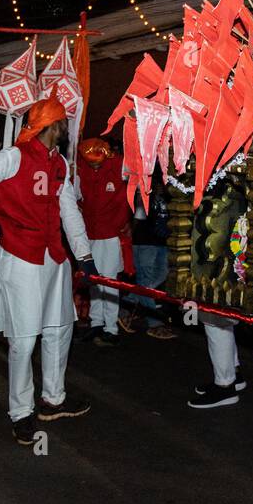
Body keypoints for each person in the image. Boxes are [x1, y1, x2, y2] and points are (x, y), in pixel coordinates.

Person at [0, 98, 97, 445]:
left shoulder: (59, 162)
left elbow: (68, 211)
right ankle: (21, 412)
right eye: (63, 123)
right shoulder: (13, 157)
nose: (66, 129)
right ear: (54, 125)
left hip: (54, 258)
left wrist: (84, 254)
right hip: (19, 258)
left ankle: (53, 398)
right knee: (23, 338)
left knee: (59, 329)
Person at [74, 138, 133, 347]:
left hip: (111, 234)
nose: (95, 166)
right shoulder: (80, 168)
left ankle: (111, 328)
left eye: (98, 162)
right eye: (91, 163)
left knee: (110, 282)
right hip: (89, 233)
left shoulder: (120, 165)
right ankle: (96, 323)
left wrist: (126, 222)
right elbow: (76, 197)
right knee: (93, 279)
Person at [124, 176, 175, 339]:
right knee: (145, 280)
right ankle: (155, 324)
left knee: (160, 275)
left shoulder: (171, 190)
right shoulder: (144, 184)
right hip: (145, 241)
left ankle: (126, 306)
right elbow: (137, 215)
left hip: (161, 240)